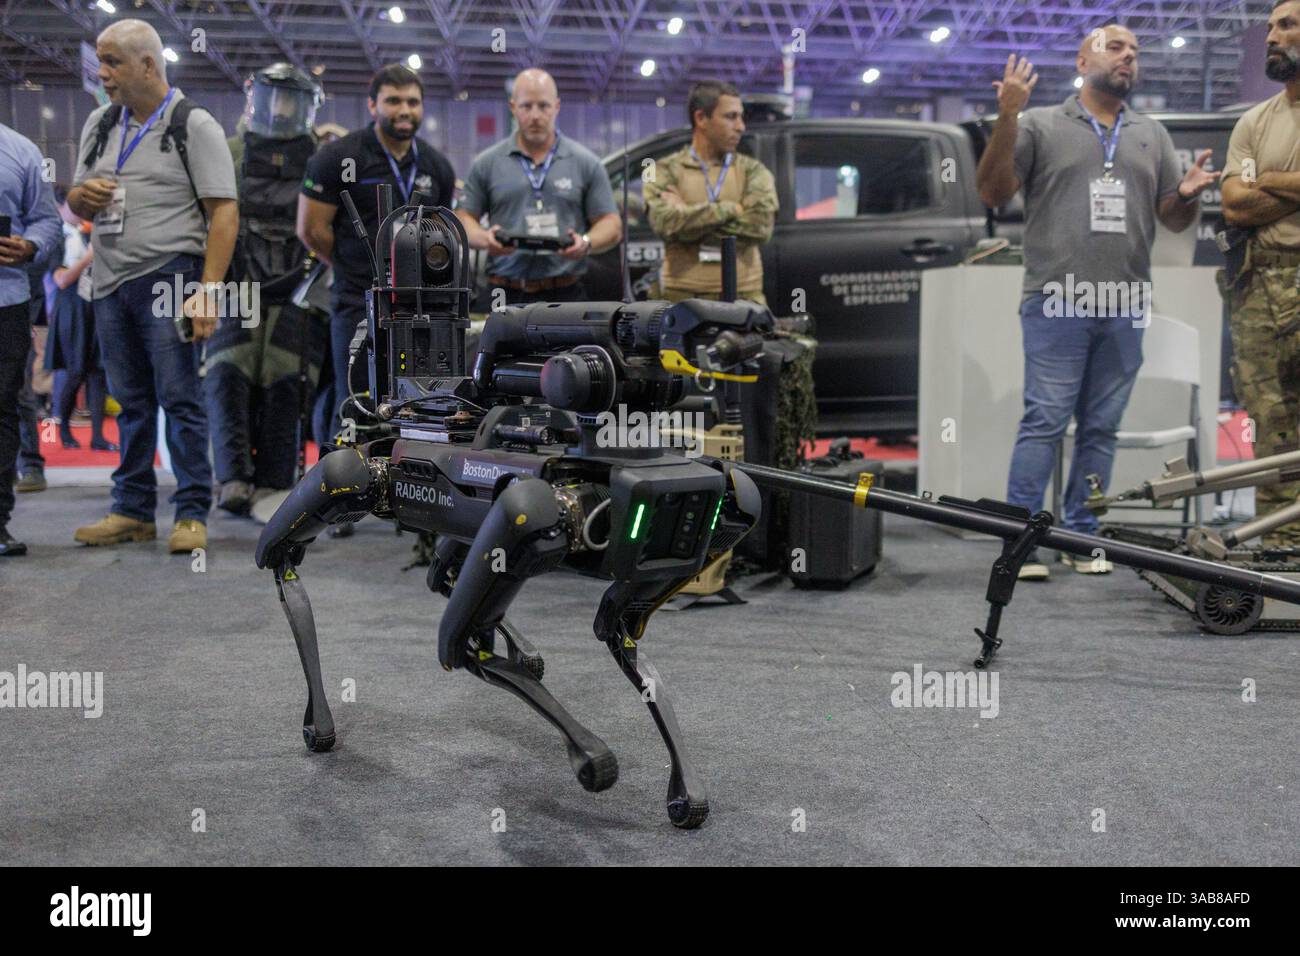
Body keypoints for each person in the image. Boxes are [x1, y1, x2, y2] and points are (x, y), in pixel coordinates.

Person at [975, 24, 1219, 580]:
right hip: (1056, 299)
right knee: (1044, 420)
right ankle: (1020, 541)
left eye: (1136, 50)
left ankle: (1081, 536)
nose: (1129, 56)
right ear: (1083, 58)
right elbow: (991, 193)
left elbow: (1172, 217)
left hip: (1125, 301)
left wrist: (1184, 196)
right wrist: (1007, 114)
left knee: (1101, 428)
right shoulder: (1038, 123)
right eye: (1116, 47)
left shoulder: (1150, 135)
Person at [66, 18, 238, 554]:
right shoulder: (99, 122)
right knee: (129, 402)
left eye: (112, 60)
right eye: (101, 60)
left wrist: (207, 290)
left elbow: (224, 212)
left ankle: (191, 512)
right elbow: (74, 200)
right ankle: (132, 509)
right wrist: (81, 200)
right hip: (110, 283)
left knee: (180, 397)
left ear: (148, 65)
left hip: (170, 276)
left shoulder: (193, 123)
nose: (103, 72)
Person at [298, 63, 456, 473]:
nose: (403, 109)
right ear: (373, 105)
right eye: (393, 100)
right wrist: (360, 267)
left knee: (416, 397)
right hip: (356, 298)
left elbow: (442, 235)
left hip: (418, 305)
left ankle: (405, 486)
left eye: (412, 101)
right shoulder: (337, 158)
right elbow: (311, 230)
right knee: (353, 395)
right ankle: (335, 486)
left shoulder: (436, 166)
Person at [207, 63, 327, 517]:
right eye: (273, 96)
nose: (280, 109)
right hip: (238, 288)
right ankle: (232, 477)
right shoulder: (229, 152)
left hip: (300, 291)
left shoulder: (321, 158)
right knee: (225, 377)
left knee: (288, 384)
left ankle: (275, 483)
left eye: (291, 99)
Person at [1221, 0, 1300, 546]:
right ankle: (1283, 543)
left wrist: (1265, 181)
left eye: (1287, 25)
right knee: (1269, 422)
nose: (1272, 35)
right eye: (1271, 26)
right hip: (1259, 285)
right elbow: (1235, 206)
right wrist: (1287, 182)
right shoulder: (1255, 121)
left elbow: (1254, 193)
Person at [455, 68, 621, 305]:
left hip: (566, 294)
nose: (535, 115)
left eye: (543, 106)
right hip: (504, 293)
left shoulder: (586, 162)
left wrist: (585, 242)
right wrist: (484, 239)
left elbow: (611, 224)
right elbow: (463, 218)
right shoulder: (486, 163)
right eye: (526, 106)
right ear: (513, 107)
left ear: (557, 106)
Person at [643, 80, 778, 305]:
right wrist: (731, 209)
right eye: (730, 117)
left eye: (740, 117)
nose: (741, 126)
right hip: (681, 298)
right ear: (701, 118)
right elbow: (665, 223)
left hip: (744, 296)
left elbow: (760, 226)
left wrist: (687, 215)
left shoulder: (753, 171)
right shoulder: (665, 170)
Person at [0, 119, 61, 556]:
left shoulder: (22, 152)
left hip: (6, 301)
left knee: (3, 409)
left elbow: (47, 221)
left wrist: (30, 246)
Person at [45, 203, 114, 452]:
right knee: (75, 372)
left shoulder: (88, 234)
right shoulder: (56, 237)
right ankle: (63, 431)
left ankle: (98, 436)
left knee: (98, 372)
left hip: (96, 304)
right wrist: (89, 257)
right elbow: (61, 279)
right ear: (64, 207)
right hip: (71, 307)